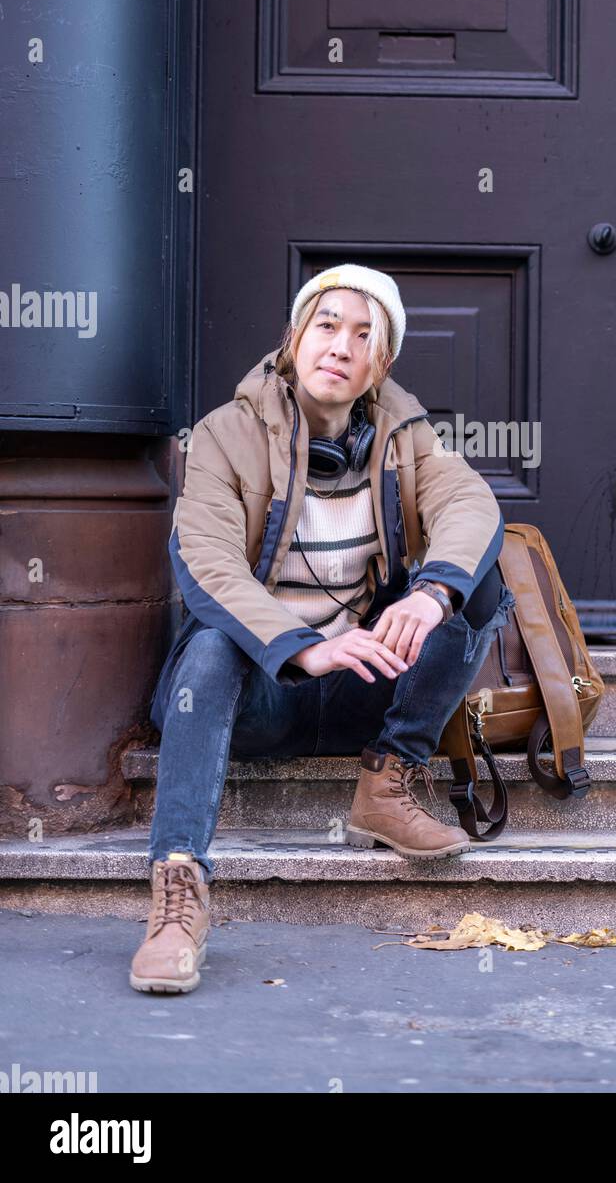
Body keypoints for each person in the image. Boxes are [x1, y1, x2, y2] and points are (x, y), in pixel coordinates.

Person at [130, 263, 515, 993]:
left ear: (381, 364)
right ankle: (178, 893)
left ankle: (389, 778)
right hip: (259, 696)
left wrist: (431, 594)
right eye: (327, 324)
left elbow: (471, 507)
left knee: (478, 581)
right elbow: (207, 561)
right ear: (294, 338)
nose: (341, 344)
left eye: (364, 335)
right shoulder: (222, 436)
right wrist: (301, 647)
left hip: (357, 689)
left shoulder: (408, 440)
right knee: (212, 645)